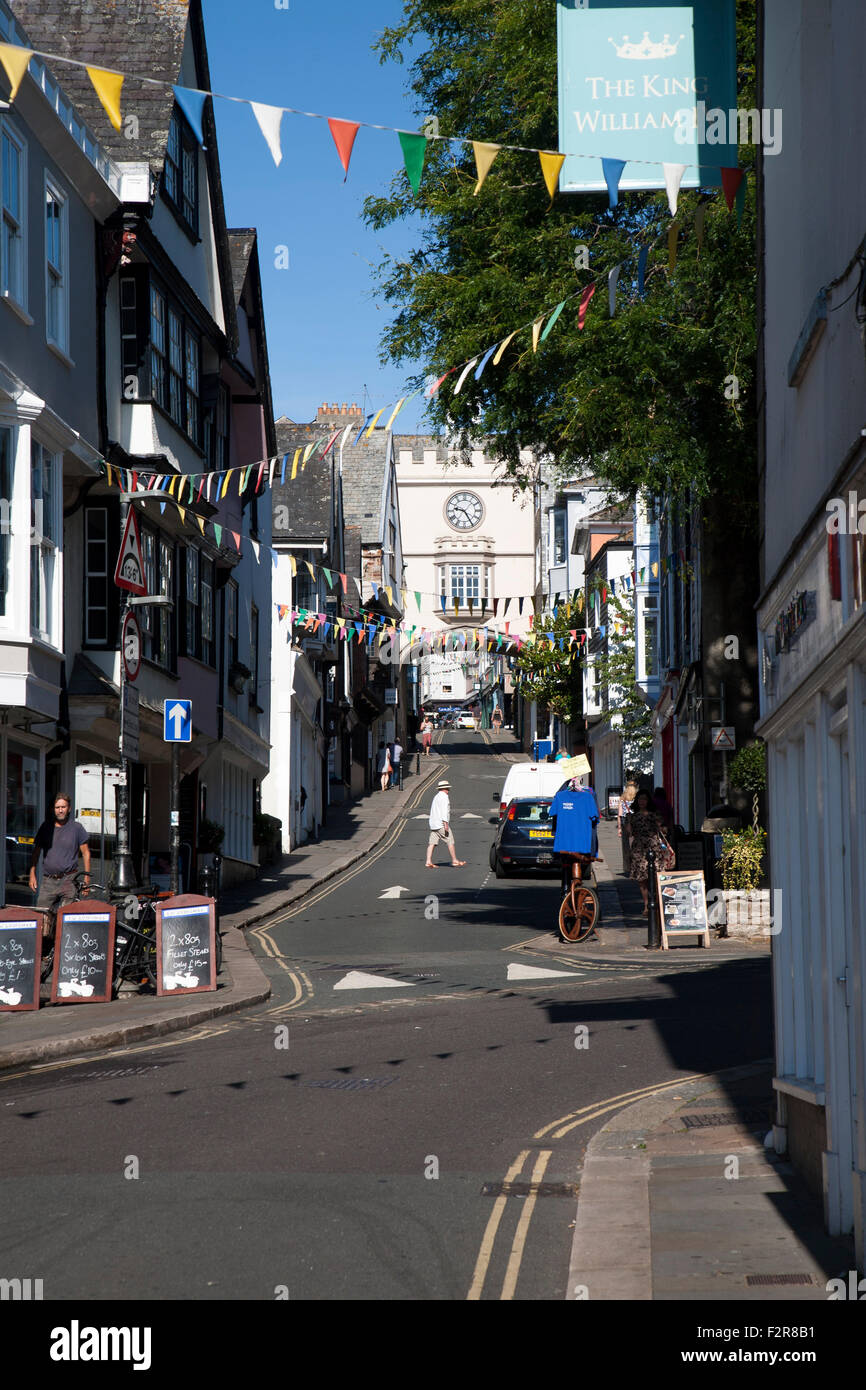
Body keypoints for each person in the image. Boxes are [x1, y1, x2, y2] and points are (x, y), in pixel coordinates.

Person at [29, 792, 91, 967]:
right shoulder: (46, 827)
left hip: (68, 879)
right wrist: (32, 873)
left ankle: (63, 954)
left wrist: (86, 879)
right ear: (53, 809)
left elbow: (86, 853)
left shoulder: (77, 828)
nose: (60, 810)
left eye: (63, 807)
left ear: (69, 808)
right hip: (48, 880)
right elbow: (36, 852)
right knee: (42, 917)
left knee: (66, 917)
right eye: (57, 807)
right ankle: (41, 953)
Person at [625, 788, 672, 914]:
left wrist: (663, 828)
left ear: (648, 801)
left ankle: (656, 901)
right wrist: (628, 823)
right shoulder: (632, 816)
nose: (642, 801)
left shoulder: (654, 814)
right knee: (642, 879)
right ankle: (646, 905)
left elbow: (662, 828)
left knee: (656, 876)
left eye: (644, 799)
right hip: (639, 848)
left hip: (653, 846)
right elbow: (629, 833)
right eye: (640, 799)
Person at [425, 779, 466, 868]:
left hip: (433, 824)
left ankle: (428, 861)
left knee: (432, 843)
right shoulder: (444, 797)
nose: (448, 790)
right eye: (447, 788)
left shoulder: (436, 796)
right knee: (450, 841)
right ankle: (454, 860)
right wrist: (445, 823)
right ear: (444, 789)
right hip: (441, 824)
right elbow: (444, 811)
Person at [617, 778, 638, 873]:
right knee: (636, 846)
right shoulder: (636, 800)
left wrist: (619, 828)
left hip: (625, 823)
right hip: (636, 823)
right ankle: (636, 865)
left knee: (626, 847)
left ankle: (627, 868)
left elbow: (619, 815)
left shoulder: (622, 800)